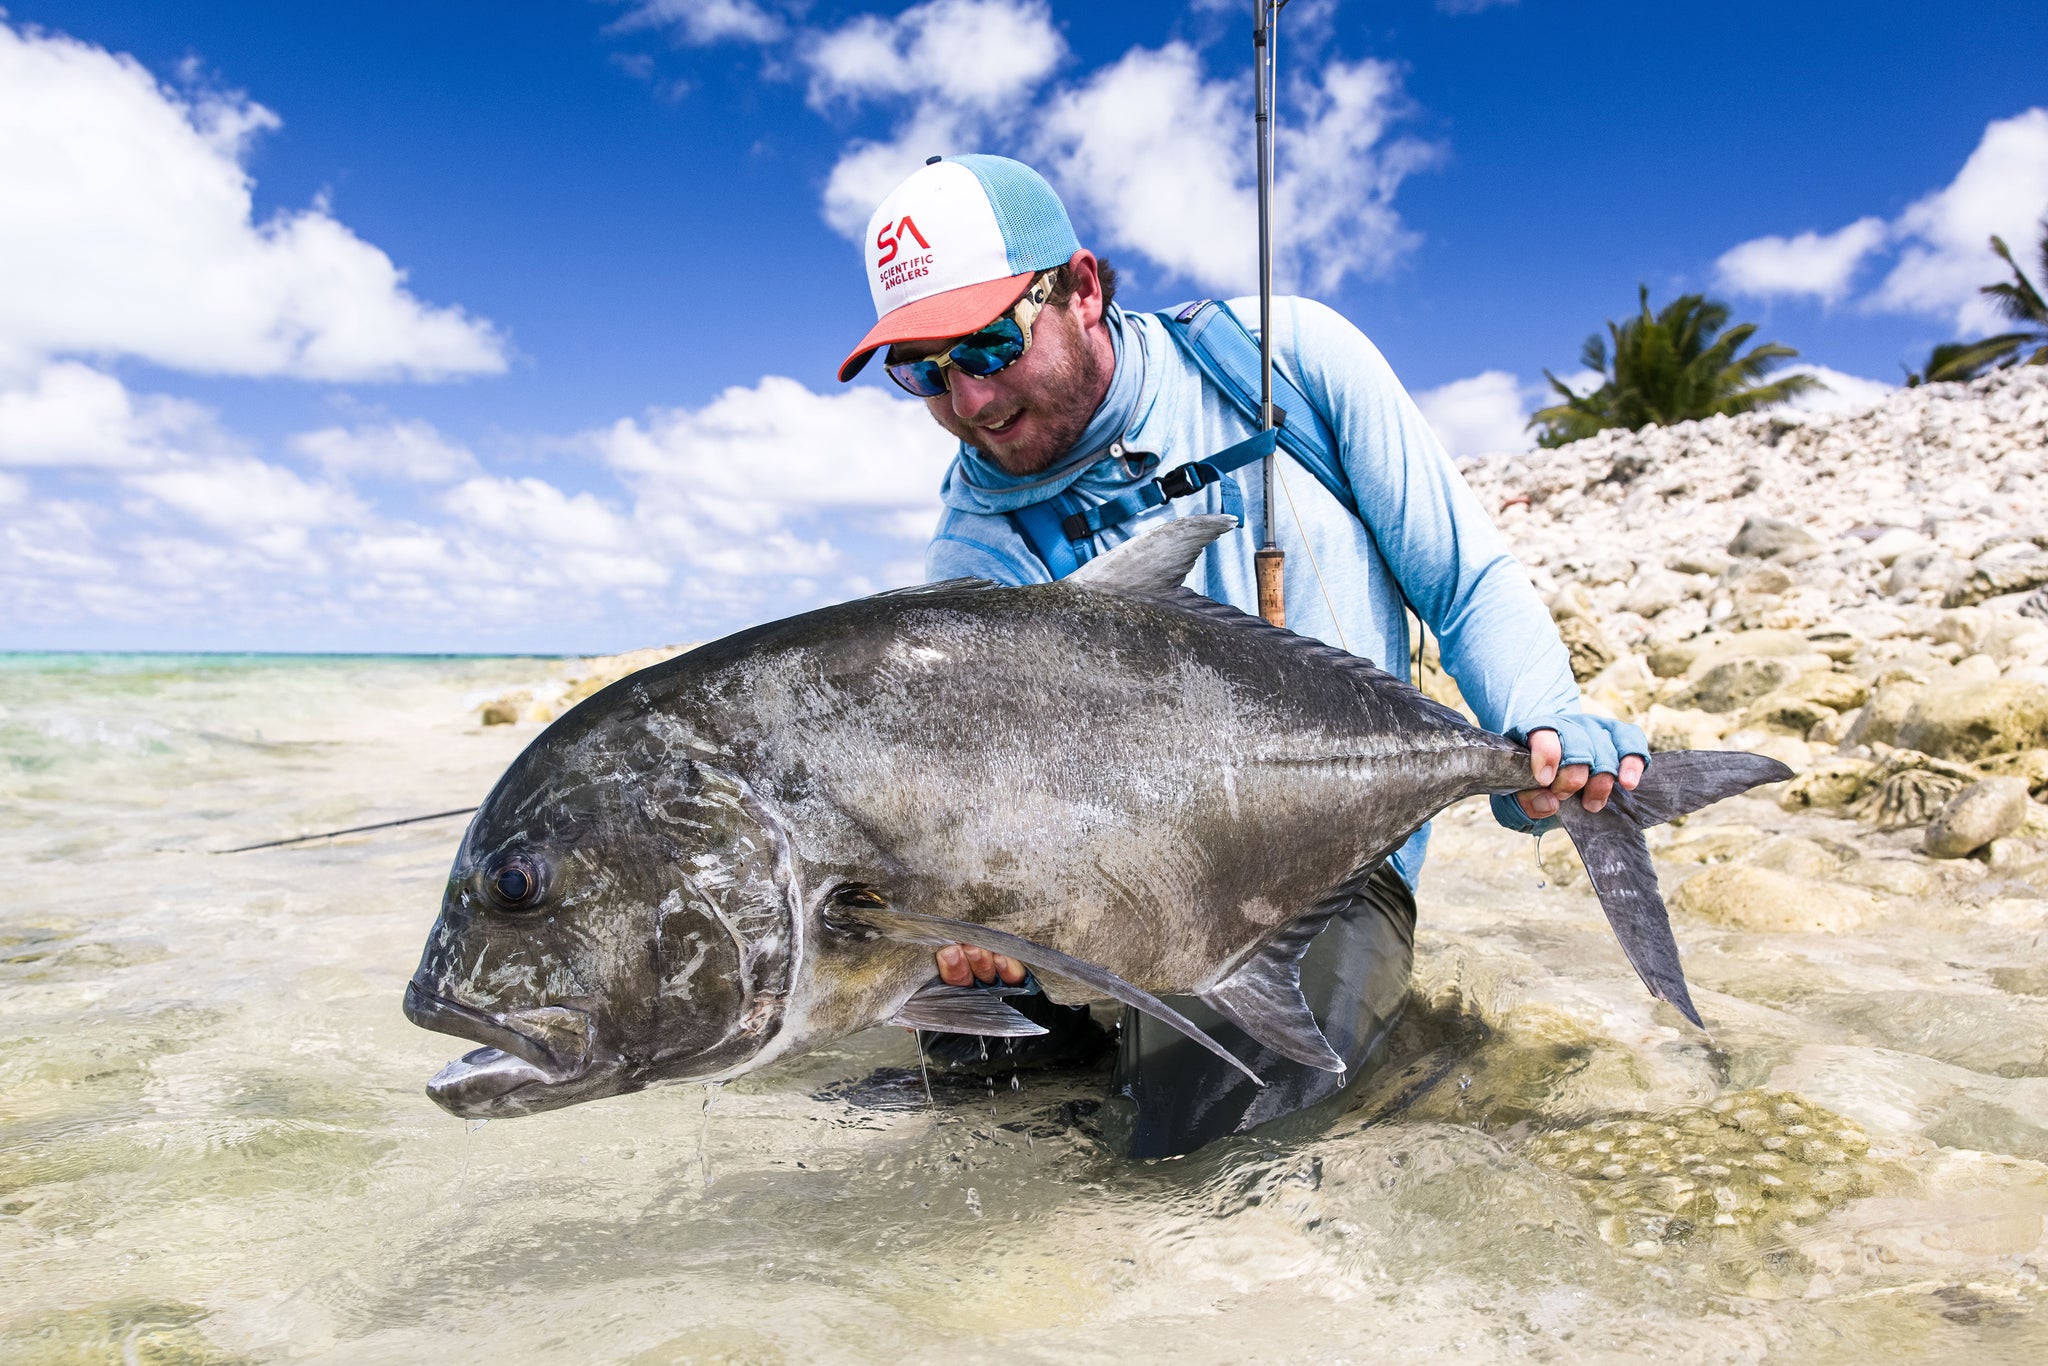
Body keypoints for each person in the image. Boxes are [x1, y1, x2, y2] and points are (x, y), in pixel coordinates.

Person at [836, 154, 1646, 1156]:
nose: (969, 402)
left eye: (991, 344)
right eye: (922, 371)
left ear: (1081, 289)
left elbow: (1462, 581)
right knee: (960, 1094)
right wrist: (967, 932)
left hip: (1325, 871)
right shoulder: (974, 544)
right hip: (1095, 894)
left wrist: (1542, 724)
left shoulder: (1284, 360)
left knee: (1204, 1152)